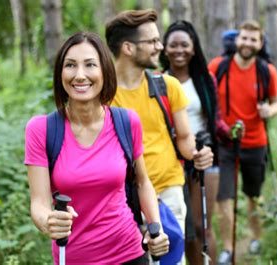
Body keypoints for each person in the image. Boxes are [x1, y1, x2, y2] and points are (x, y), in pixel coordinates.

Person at [24, 31, 169, 264]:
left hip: (129, 252)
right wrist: (48, 220)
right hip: (72, 257)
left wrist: (156, 229)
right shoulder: (41, 129)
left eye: (90, 65)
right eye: (70, 65)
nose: (80, 75)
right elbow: (39, 203)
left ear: (104, 72)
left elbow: (142, 182)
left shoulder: (126, 122)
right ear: (60, 73)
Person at [105, 9, 214, 264]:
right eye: (152, 41)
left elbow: (184, 138)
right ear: (128, 48)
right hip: (122, 200)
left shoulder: (168, 86)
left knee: (170, 262)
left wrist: (197, 154)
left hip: (168, 192)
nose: (160, 47)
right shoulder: (103, 94)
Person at [208, 20, 277, 263]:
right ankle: (228, 249)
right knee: (223, 197)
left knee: (253, 195)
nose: (248, 43)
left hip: (256, 142)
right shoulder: (218, 66)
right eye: (244, 38)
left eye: (253, 39)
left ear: (260, 44)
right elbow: (203, 94)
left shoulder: (266, 71)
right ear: (236, 40)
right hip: (225, 142)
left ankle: (255, 238)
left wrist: (269, 112)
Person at [159, 20, 225, 264]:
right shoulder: (157, 81)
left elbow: (215, 118)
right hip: (171, 160)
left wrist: (230, 134)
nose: (179, 50)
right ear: (164, 48)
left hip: (203, 157)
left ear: (194, 48)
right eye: (173, 45)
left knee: (202, 225)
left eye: (185, 45)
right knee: (182, 228)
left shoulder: (205, 80)